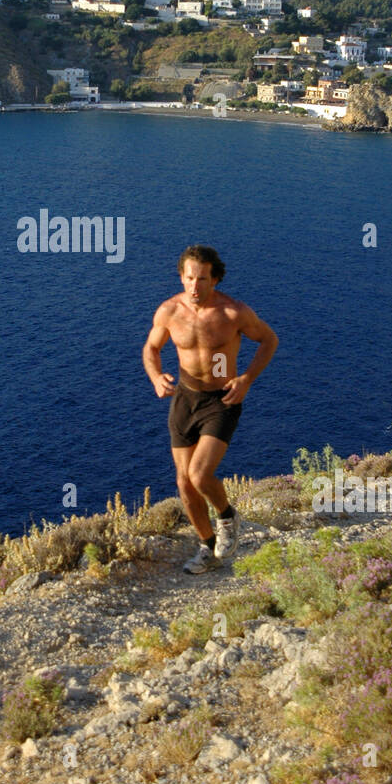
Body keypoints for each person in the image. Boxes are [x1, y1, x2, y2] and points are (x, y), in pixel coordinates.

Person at [142, 244, 278, 574]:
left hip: (222, 400)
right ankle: (206, 545)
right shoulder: (169, 311)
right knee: (184, 483)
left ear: (214, 279)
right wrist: (156, 376)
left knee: (199, 475)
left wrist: (246, 379)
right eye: (189, 278)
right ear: (181, 277)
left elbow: (268, 340)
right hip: (185, 399)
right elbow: (151, 348)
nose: (195, 286)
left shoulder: (233, 313)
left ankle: (228, 516)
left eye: (202, 279)